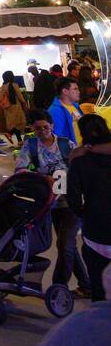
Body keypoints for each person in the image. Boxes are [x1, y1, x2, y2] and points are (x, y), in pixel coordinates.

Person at [19, 110, 91, 297]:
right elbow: (20, 169)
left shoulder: (66, 144)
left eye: (46, 127)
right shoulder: (31, 145)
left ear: (52, 126)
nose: (43, 131)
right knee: (68, 246)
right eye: (38, 128)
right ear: (32, 129)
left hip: (72, 203)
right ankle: (86, 285)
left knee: (65, 245)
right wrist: (44, 178)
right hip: (47, 204)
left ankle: (58, 288)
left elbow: (82, 167)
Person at [68, 114, 111, 301]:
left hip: (96, 229)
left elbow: (73, 198)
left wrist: (85, 213)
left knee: (98, 283)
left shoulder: (79, 160)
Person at [0, 71, 28, 146]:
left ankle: (19, 141)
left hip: (7, 107)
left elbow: (0, 97)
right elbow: (19, 96)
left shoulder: (3, 86)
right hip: (16, 106)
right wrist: (24, 102)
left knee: (14, 124)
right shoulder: (14, 85)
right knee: (20, 123)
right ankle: (10, 134)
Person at [48, 78, 82, 143]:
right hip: (70, 150)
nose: (79, 91)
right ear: (65, 91)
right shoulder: (55, 111)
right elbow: (56, 136)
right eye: (75, 89)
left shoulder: (75, 106)